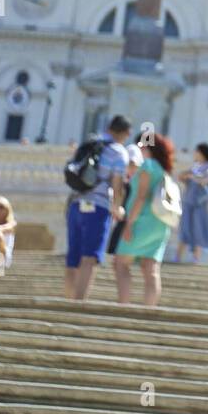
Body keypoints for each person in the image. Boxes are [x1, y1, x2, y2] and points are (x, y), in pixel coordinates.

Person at [65, 115, 133, 300]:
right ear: (126, 133)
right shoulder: (118, 152)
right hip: (98, 206)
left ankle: (68, 301)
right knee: (90, 257)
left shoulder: (90, 143)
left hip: (77, 203)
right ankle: (78, 304)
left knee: (73, 258)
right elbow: (117, 185)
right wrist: (117, 207)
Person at [114, 134, 175, 306]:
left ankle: (124, 306)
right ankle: (149, 310)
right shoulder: (163, 169)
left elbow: (141, 197)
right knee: (150, 268)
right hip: (160, 223)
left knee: (120, 263)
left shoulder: (148, 165)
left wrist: (129, 224)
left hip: (142, 221)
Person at [174, 142, 208, 263]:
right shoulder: (195, 166)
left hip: (202, 204)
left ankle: (196, 259)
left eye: (197, 151)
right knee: (185, 228)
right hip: (189, 202)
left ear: (202, 152)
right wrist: (185, 177)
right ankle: (177, 257)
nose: (194, 154)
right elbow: (182, 177)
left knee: (199, 229)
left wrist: (192, 176)